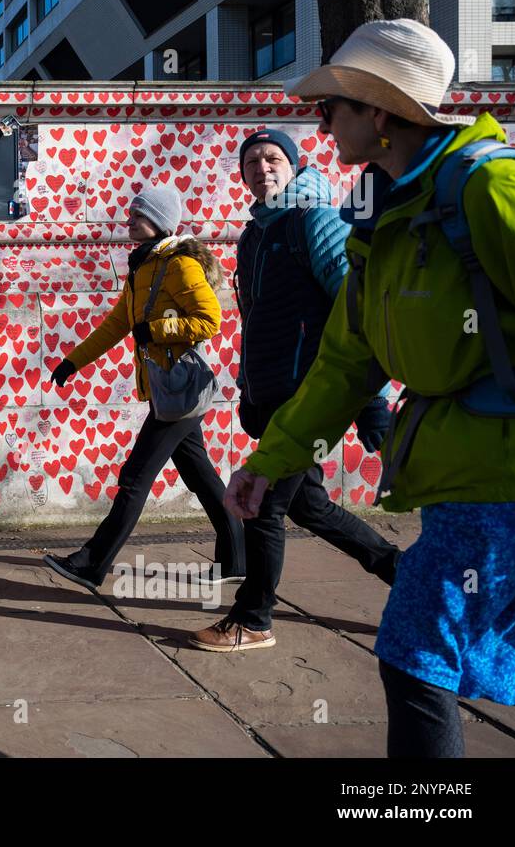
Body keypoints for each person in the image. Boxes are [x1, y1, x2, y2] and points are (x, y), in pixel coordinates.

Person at [225, 19, 515, 757]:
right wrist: (268, 461)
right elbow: (346, 362)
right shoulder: (380, 213)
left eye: (333, 106)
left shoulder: (492, 187)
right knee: (433, 654)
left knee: (417, 651)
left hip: (504, 487)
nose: (322, 122)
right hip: (457, 483)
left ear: (380, 111)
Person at [187, 129, 404, 653]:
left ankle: (253, 618)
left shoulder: (315, 220)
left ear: (294, 166)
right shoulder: (254, 235)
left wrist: (372, 400)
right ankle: (406, 573)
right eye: (252, 161)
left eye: (273, 158)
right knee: (311, 507)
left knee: (262, 506)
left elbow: (355, 312)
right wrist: (248, 387)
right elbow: (258, 322)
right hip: (271, 395)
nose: (262, 168)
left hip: (307, 397)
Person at [44, 187, 246, 590]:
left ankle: (92, 562)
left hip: (180, 391)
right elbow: (117, 324)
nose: (129, 221)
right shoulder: (143, 267)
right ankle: (236, 559)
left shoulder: (179, 264)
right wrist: (73, 362)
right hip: (166, 390)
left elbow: (210, 319)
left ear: (159, 221)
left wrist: (155, 329)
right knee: (201, 476)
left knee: (135, 478)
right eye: (131, 214)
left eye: (138, 215)